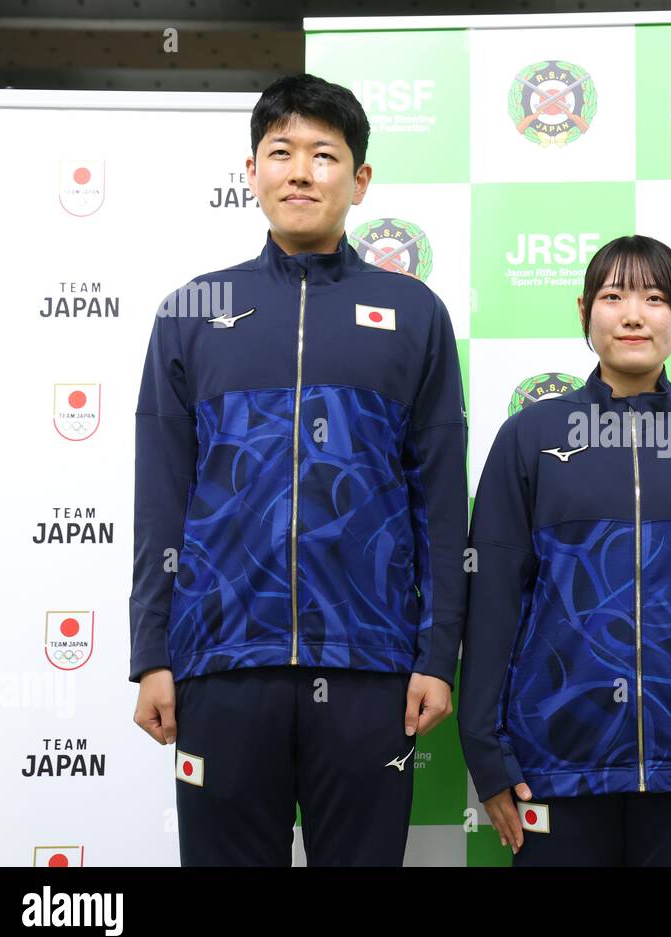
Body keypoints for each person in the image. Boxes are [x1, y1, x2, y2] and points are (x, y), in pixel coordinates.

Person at [128, 74, 468, 866]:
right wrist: (151, 652)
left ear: (360, 179)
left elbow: (441, 500)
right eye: (281, 153)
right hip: (220, 661)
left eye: (324, 154)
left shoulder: (414, 313)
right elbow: (160, 495)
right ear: (251, 172)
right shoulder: (190, 311)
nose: (301, 172)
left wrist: (434, 654)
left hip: (369, 665)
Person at [458, 235, 671, 866]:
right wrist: (487, 751)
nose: (634, 314)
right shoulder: (529, 437)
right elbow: (493, 603)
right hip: (553, 765)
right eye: (613, 297)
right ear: (583, 311)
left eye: (655, 297)